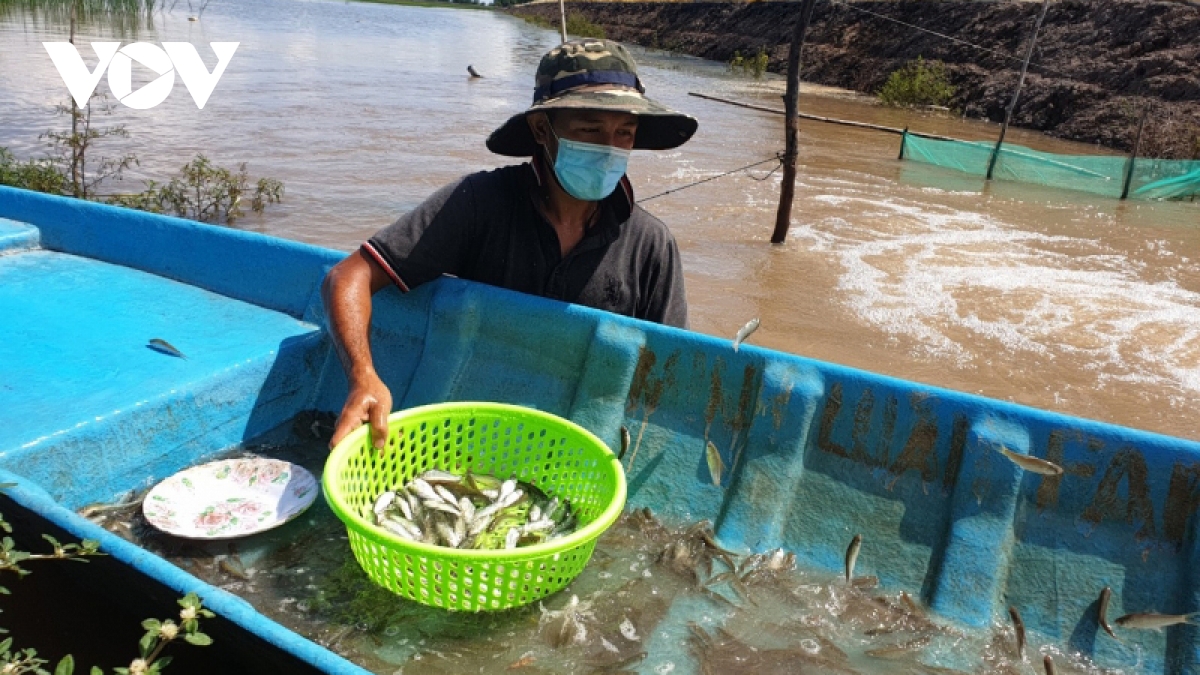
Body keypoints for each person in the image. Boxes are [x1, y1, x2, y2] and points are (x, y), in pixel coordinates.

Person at [323, 39, 699, 450]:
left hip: (581, 441)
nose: (608, 148)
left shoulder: (650, 244)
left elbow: (670, 370)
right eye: (590, 130)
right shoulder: (478, 203)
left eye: (624, 133)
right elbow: (349, 277)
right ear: (541, 129)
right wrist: (363, 377)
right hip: (471, 423)